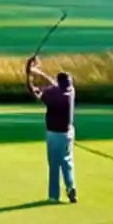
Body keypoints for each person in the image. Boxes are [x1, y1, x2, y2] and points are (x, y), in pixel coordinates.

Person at [26, 57, 77, 204]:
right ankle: (70, 188)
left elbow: (34, 92)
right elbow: (53, 84)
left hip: (54, 133)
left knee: (54, 165)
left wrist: (28, 74)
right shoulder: (71, 91)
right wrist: (37, 72)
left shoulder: (52, 95)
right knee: (67, 163)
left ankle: (54, 196)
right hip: (68, 133)